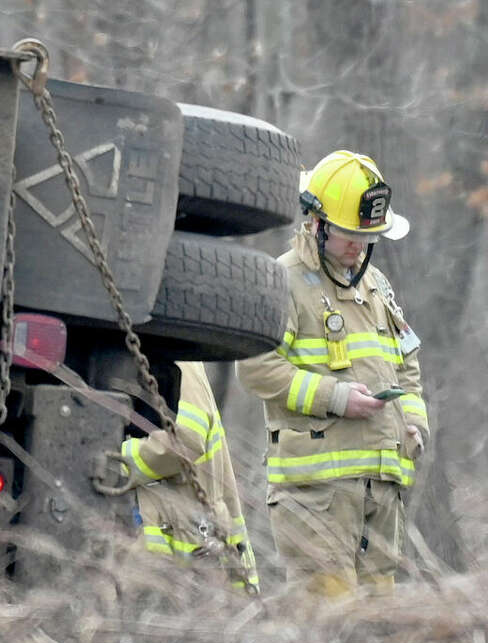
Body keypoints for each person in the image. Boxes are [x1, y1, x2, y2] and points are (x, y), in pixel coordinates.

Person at [237, 150, 427, 596]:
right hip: (315, 498)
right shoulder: (280, 281)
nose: (358, 246)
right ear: (317, 223)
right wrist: (336, 397)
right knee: (330, 628)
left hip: (381, 492)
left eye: (367, 236)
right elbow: (257, 369)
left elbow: (407, 362)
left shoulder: (376, 285)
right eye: (348, 235)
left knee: (380, 632)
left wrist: (415, 424)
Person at [113, 362, 259, 592]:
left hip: (181, 563)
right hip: (164, 558)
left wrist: (111, 460)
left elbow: (187, 439)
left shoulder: (180, 360)